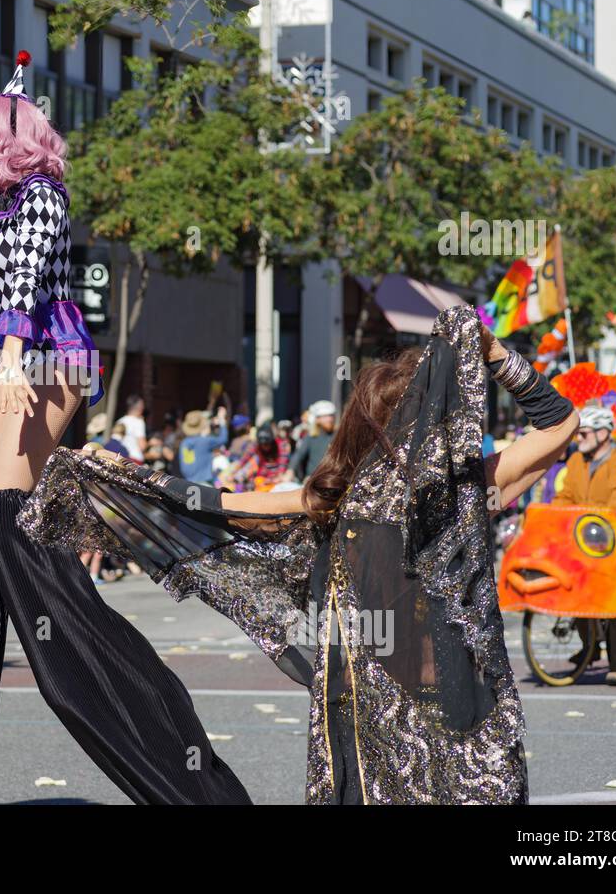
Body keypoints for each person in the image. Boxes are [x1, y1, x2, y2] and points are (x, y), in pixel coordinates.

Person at [0, 53, 249, 805]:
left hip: (49, 357)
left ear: (5, 141)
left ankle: (121, 701)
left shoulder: (44, 197)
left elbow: (28, 278)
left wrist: (13, 355)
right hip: (4, 350)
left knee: (7, 524)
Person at [29, 307, 577, 804]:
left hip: (376, 710)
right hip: (444, 707)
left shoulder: (347, 495)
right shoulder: (460, 487)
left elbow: (215, 506)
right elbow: (561, 424)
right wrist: (497, 354)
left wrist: (126, 477)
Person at [550, 407, 616, 686]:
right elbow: (565, 495)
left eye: (584, 433)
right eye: (578, 433)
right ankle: (590, 647)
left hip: (614, 540)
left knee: (615, 602)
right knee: (574, 593)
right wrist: (553, 514)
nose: (579, 438)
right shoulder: (575, 460)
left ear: (603, 434)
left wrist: (597, 519)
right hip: (582, 539)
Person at [286, 399, 337, 483]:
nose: (329, 419)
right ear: (317, 419)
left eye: (331, 415)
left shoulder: (338, 435)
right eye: (325, 416)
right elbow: (299, 454)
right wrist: (290, 470)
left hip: (333, 478)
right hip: (313, 478)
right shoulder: (311, 436)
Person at [178, 408, 228, 485]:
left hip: (189, 482)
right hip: (204, 483)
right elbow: (223, 438)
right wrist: (222, 420)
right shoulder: (204, 441)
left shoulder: (184, 442)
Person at [116, 395, 147, 463]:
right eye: (142, 405)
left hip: (121, 459)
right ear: (139, 407)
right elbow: (142, 446)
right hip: (135, 460)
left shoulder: (120, 421)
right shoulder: (138, 422)